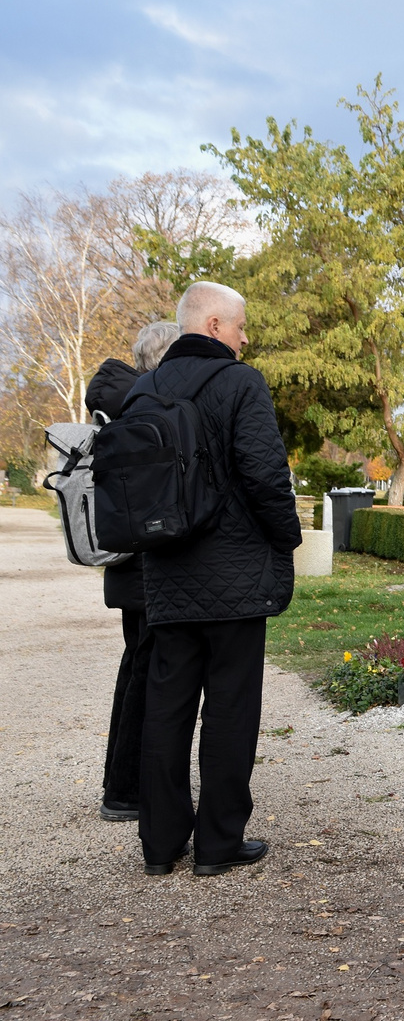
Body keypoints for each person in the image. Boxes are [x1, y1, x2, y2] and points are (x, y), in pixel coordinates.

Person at [139, 282, 301, 877]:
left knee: (167, 708)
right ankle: (217, 843)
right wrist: (287, 536)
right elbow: (263, 473)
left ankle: (158, 845)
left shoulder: (143, 389)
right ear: (212, 325)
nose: (244, 337)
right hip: (233, 575)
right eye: (239, 326)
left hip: (166, 572)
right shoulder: (241, 382)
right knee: (230, 708)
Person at [86, 320, 180, 822]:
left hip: (130, 566)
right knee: (147, 675)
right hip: (146, 566)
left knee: (136, 671)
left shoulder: (121, 406)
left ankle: (120, 786)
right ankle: (126, 792)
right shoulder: (144, 411)